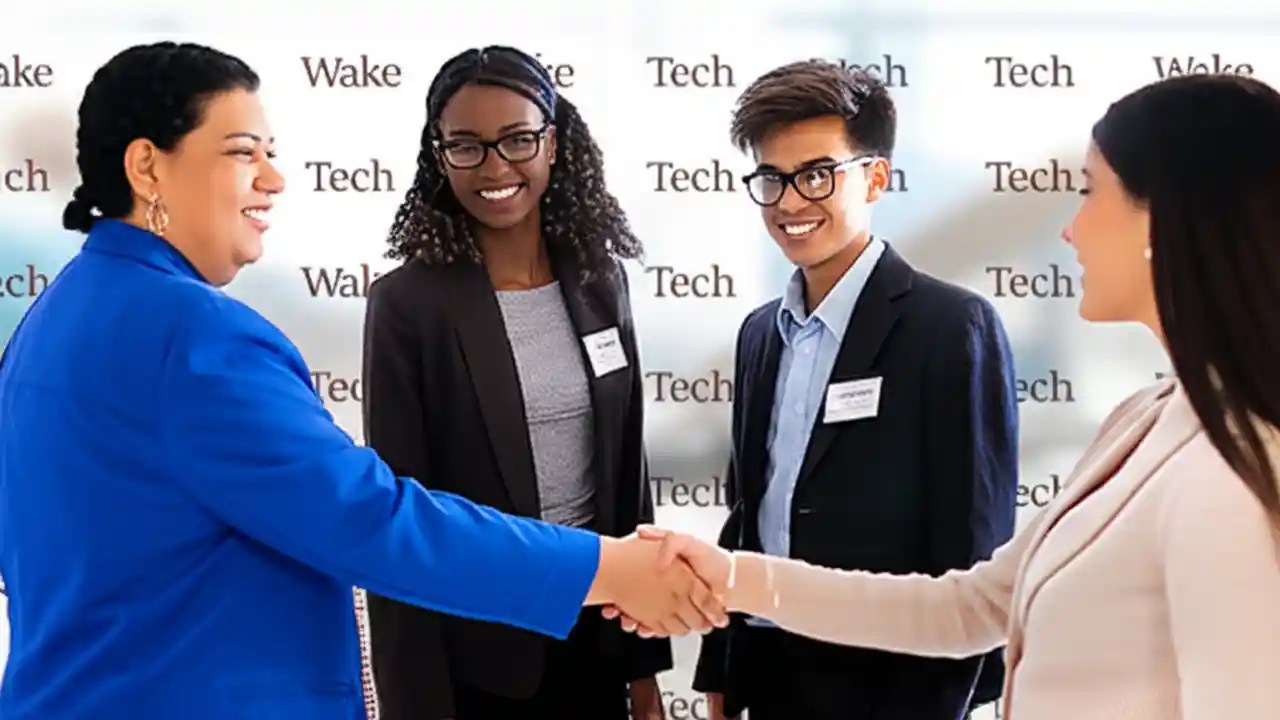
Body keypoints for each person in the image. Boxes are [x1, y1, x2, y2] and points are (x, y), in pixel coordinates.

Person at [0, 41, 724, 720]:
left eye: (272, 153)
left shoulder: (52, 320)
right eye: (243, 153)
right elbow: (375, 522)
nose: (275, 178)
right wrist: (609, 569)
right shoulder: (197, 337)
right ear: (147, 167)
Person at [616, 73, 1280, 720]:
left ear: (1163, 220)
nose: (1067, 229)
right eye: (773, 180)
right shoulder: (1144, 419)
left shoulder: (1236, 476)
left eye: (1087, 192)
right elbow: (970, 607)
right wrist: (729, 577)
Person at [687, 60, 1019, 720]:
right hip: (770, 680)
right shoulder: (760, 335)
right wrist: (721, 667)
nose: (787, 203)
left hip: (892, 689)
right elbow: (747, 515)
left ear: (874, 176)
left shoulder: (950, 326)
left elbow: (973, 543)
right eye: (770, 179)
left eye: (815, 175)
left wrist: (940, 705)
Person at [361, 45, 672, 720]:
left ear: (552, 144)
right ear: (439, 157)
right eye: (467, 147)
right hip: (479, 660)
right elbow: (397, 521)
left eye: (517, 140)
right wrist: (413, 703)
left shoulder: (600, 281)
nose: (496, 168)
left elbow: (627, 474)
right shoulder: (408, 306)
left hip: (595, 636)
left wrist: (644, 666)